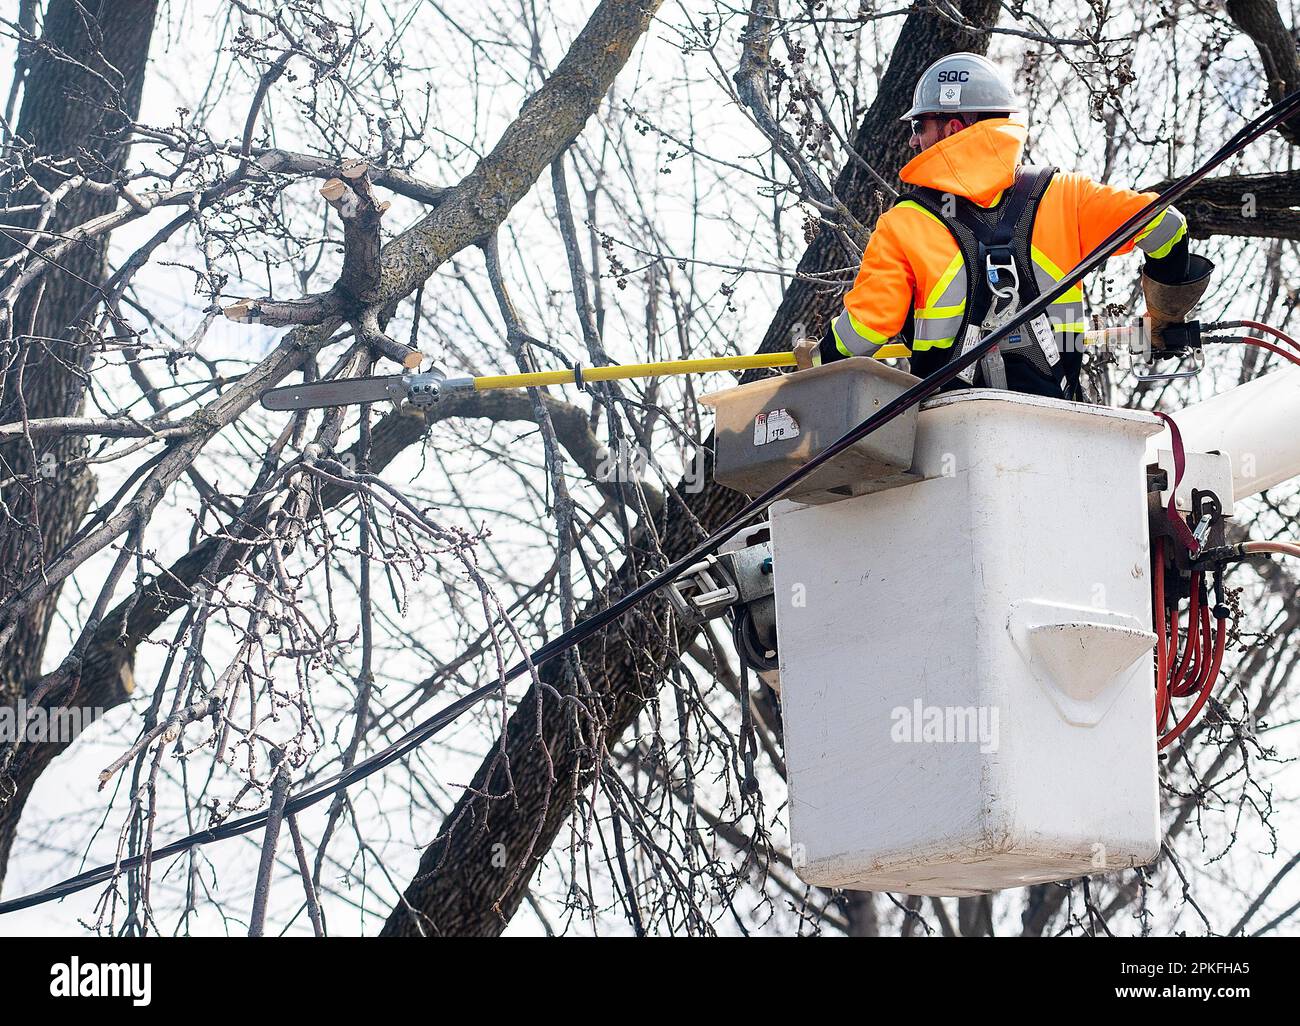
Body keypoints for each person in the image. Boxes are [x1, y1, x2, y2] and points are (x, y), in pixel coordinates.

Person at [793, 52, 1212, 399]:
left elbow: (863, 332)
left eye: (920, 126)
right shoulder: (1066, 196)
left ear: (953, 127)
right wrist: (1162, 315)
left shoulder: (904, 223)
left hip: (954, 436)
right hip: (1058, 422)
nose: (913, 140)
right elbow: (1166, 227)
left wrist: (813, 366)